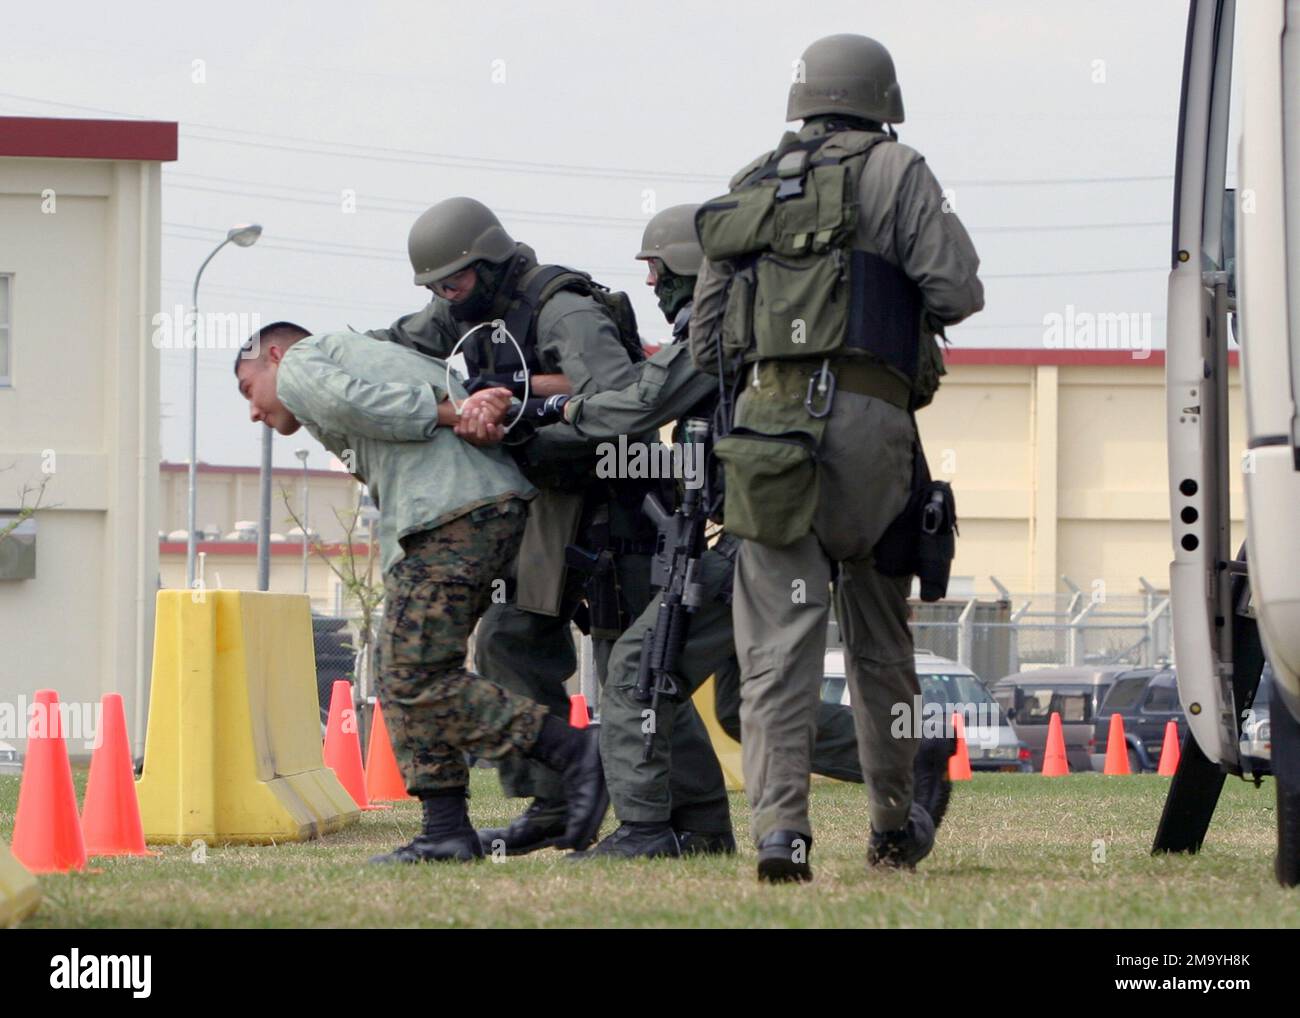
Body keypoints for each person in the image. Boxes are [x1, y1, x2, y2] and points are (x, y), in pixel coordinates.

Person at [460, 204, 955, 859]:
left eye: (660, 272)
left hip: (769, 532)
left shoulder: (723, 330)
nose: (652, 288)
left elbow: (639, 401)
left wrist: (545, 411)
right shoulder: (764, 329)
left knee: (640, 670)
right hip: (778, 521)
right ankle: (902, 758)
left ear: (696, 269)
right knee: (733, 706)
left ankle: (651, 832)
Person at [688, 33, 984, 882]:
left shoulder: (750, 183)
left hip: (769, 433)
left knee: (777, 648)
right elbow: (958, 292)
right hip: (873, 432)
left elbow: (707, 337)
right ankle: (894, 825)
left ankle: (783, 836)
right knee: (880, 646)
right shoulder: (901, 172)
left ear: (803, 99)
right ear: (881, 100)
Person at [233, 321, 606, 863]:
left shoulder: (303, 362)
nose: (253, 412)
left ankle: (575, 753)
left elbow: (346, 402)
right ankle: (444, 829)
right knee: (401, 670)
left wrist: (451, 413)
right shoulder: (369, 349)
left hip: (454, 515)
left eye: (249, 389)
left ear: (273, 355)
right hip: (464, 512)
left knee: (412, 674)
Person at [365, 197, 665, 855]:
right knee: (506, 641)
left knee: (635, 668)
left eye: (457, 281)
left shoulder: (564, 308)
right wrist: (315, 363)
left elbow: (627, 401)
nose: (448, 296)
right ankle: (557, 802)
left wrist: (516, 394)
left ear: (491, 262)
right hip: (538, 495)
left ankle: (665, 823)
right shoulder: (461, 311)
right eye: (438, 286)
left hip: (613, 496)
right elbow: (396, 347)